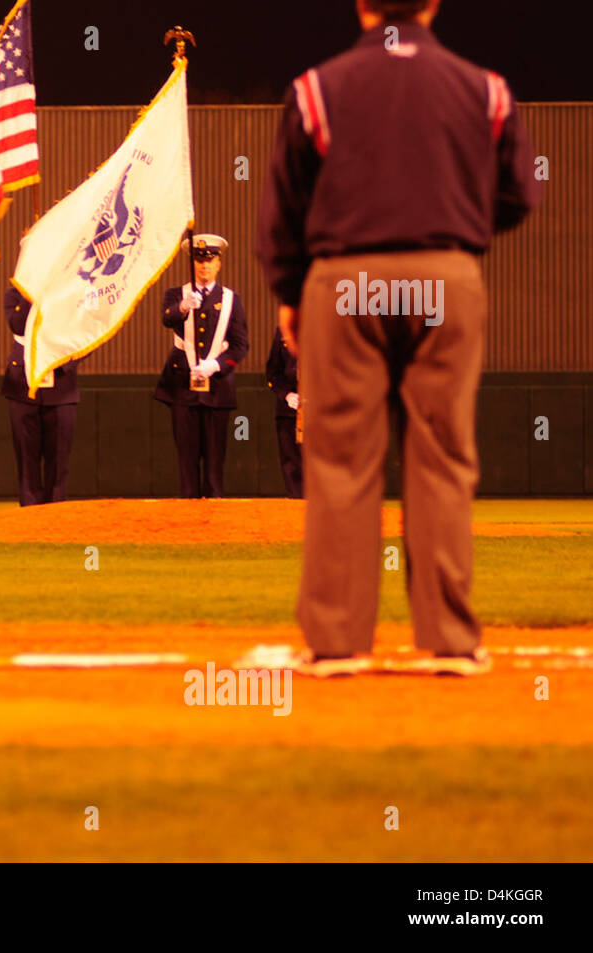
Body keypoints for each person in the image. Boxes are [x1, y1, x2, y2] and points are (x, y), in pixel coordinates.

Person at [255, 0, 538, 676]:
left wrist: (292, 294)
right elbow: (520, 194)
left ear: (361, 5)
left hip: (345, 279)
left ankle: (336, 642)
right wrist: (450, 229)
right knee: (443, 453)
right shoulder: (486, 88)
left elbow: (282, 210)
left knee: (340, 458)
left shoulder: (316, 88)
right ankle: (450, 641)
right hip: (447, 274)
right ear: (433, 4)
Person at [153, 234, 248, 499]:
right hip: (182, 386)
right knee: (187, 460)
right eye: (199, 260)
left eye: (210, 261)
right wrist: (182, 308)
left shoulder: (231, 299)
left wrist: (217, 366)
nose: (204, 266)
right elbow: (166, 318)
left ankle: (213, 515)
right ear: (192, 264)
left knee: (215, 461)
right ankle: (188, 516)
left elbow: (241, 345)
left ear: (219, 264)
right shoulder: (177, 294)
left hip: (217, 387)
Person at [0, 285, 78, 506]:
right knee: (27, 464)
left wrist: (63, 361)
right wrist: (33, 290)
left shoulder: (69, 292)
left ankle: (54, 520)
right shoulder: (15, 294)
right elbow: (18, 324)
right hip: (22, 386)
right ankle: (30, 519)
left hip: (61, 385)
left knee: (58, 464)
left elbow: (85, 337)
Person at [264, 326, 303, 499]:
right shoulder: (284, 330)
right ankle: (295, 505)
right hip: (288, 409)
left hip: (319, 412)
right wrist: (286, 395)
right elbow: (273, 372)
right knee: (291, 465)